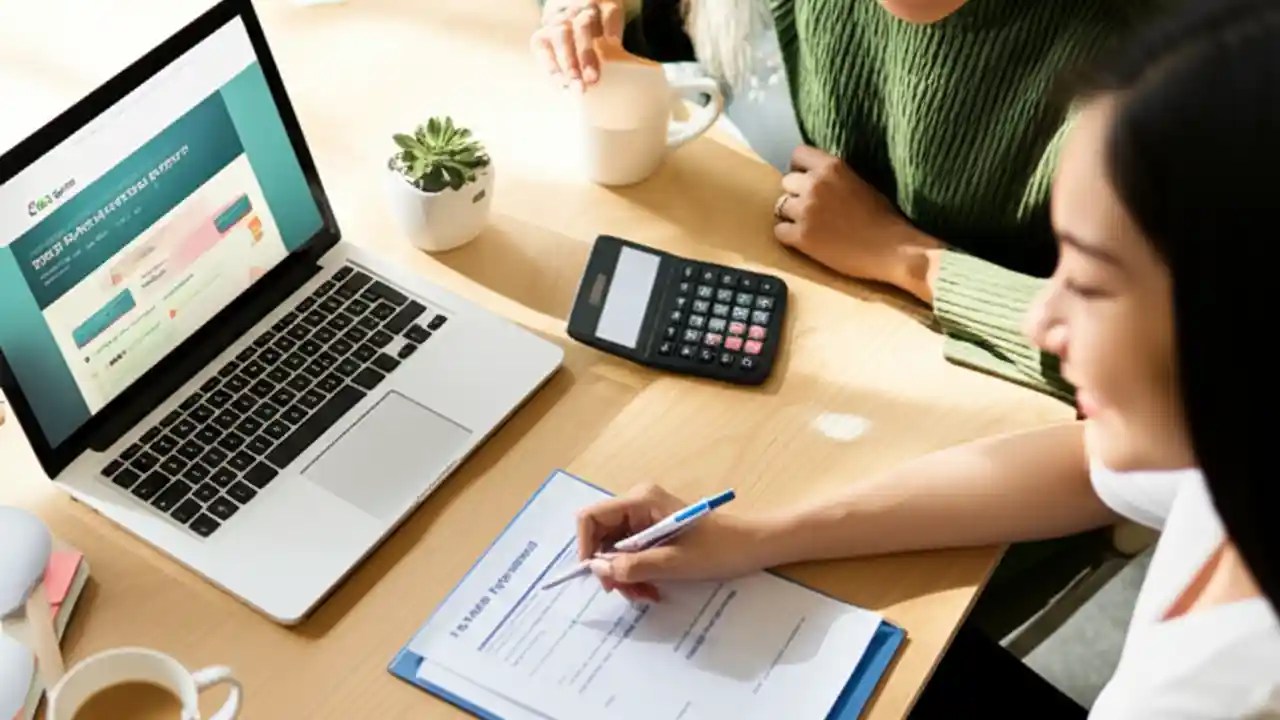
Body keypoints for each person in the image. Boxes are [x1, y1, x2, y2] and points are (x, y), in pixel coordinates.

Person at [567, 0, 1280, 714]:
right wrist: (762, 534)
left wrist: (919, 263)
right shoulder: (1218, 452)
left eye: (1090, 281)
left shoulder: (1235, 686)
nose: (1041, 314)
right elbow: (1087, 467)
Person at [533, 0, 1178, 403]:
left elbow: (1170, 371)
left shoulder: (1151, 79)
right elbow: (660, 30)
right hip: (831, 335)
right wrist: (587, 15)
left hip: (1017, 414)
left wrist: (909, 259)